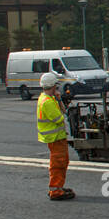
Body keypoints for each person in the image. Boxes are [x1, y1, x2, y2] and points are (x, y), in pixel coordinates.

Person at [36, 71, 75, 201]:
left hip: (57, 137)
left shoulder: (48, 98)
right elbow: (60, 117)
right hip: (55, 138)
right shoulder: (47, 102)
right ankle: (55, 190)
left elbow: (63, 111)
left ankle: (58, 187)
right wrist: (59, 102)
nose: (57, 88)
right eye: (56, 87)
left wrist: (58, 99)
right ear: (53, 86)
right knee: (58, 163)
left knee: (63, 161)